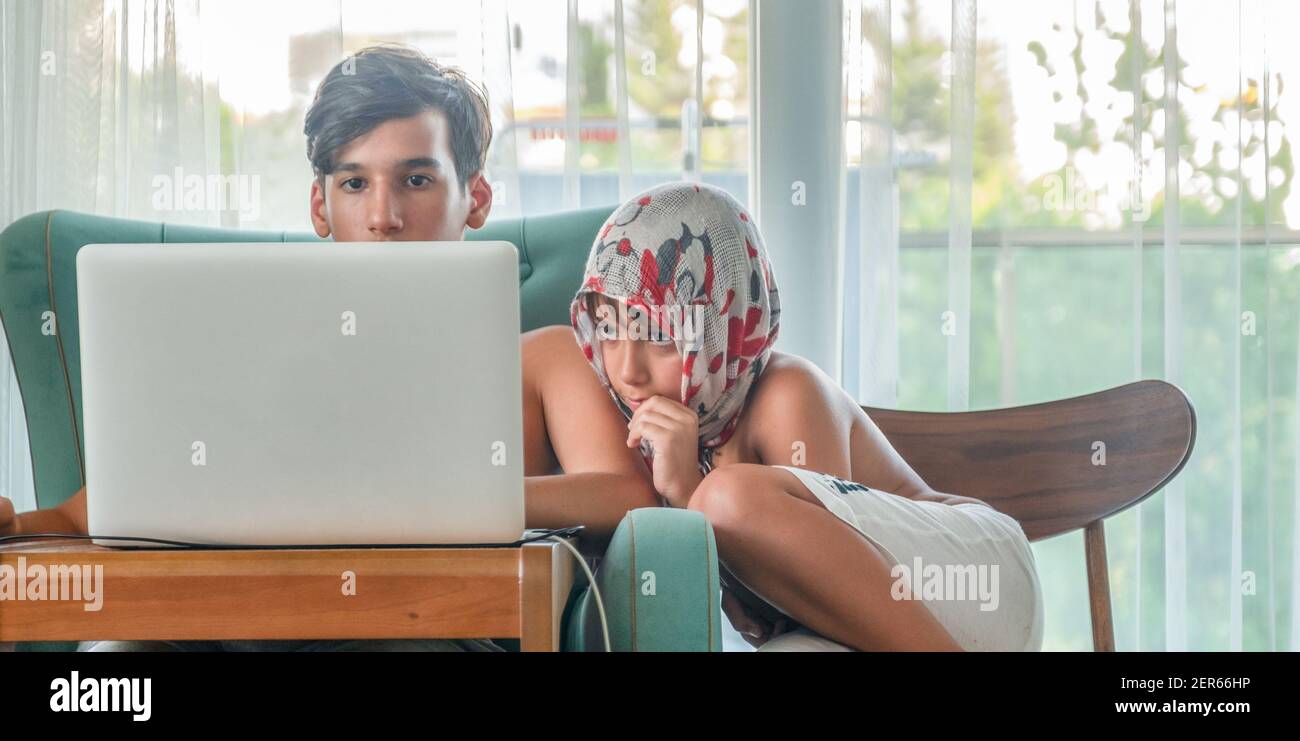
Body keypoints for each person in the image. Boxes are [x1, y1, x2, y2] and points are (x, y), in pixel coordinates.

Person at [0, 44, 658, 651]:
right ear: (320, 208)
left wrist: (460, 498)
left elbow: (625, 495)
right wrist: (22, 525)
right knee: (116, 649)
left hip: (427, 630)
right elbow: (122, 498)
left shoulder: (541, 357)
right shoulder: (260, 359)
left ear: (475, 197)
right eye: (354, 184)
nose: (383, 217)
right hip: (240, 627)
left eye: (417, 180)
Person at [568, 180, 1045, 651]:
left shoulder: (788, 392)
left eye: (659, 337)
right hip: (886, 626)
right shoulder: (668, 431)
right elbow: (780, 629)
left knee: (725, 497)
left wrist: (691, 491)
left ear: (719, 326)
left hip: (978, 584)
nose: (627, 371)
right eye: (608, 330)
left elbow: (827, 591)